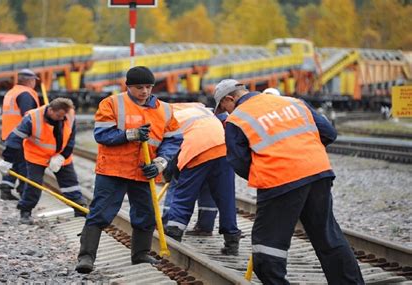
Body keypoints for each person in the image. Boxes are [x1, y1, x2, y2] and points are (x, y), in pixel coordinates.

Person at [213, 79, 364, 284]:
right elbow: (329, 133)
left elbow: (238, 161)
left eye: (224, 107)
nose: (226, 112)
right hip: (318, 172)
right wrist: (304, 154)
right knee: (328, 237)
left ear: (230, 98)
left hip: (279, 179)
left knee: (266, 250)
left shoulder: (237, 119)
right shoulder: (294, 102)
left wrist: (266, 169)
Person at [75, 66, 183, 274]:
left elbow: (173, 140)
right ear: (128, 87)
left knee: (146, 214)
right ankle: (86, 257)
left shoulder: (165, 110)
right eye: (139, 87)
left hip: (144, 171)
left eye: (148, 87)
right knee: (100, 212)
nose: (145, 91)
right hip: (113, 170)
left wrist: (161, 162)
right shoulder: (112, 103)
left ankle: (140, 254)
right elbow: (102, 135)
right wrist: (130, 134)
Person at [163, 102, 241, 255]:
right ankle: (231, 239)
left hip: (197, 150)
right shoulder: (200, 109)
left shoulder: (166, 115)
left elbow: (170, 148)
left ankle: (173, 234)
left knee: (184, 193)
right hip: (223, 149)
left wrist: (170, 172)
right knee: (226, 198)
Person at [0, 98, 87, 225]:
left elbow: (71, 139)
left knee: (70, 183)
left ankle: (79, 207)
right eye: (58, 115)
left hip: (59, 156)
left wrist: (62, 156)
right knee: (33, 185)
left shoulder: (69, 115)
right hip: (36, 156)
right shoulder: (32, 118)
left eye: (63, 116)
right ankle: (25, 212)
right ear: (50, 110)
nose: (62, 119)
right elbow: (15, 139)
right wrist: (7, 160)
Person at [0, 69, 40, 200]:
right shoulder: (26, 94)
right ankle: (24, 191)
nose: (35, 83)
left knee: (14, 162)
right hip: (21, 135)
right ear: (30, 81)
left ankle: (6, 188)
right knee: (24, 164)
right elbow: (29, 116)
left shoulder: (12, 92)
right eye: (34, 80)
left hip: (9, 134)